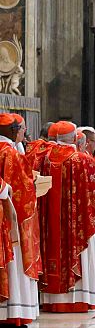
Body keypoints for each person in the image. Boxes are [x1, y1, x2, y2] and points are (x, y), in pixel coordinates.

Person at [39, 121, 95, 312]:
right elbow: (94, 189)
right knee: (81, 254)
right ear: (75, 138)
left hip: (51, 223)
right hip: (78, 221)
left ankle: (52, 300)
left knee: (53, 249)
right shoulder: (81, 159)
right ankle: (79, 299)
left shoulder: (45, 158)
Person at [0, 113, 40, 325]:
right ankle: (14, 312)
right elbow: (23, 192)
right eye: (21, 129)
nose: (23, 133)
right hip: (11, 221)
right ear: (13, 131)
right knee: (14, 264)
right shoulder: (11, 154)